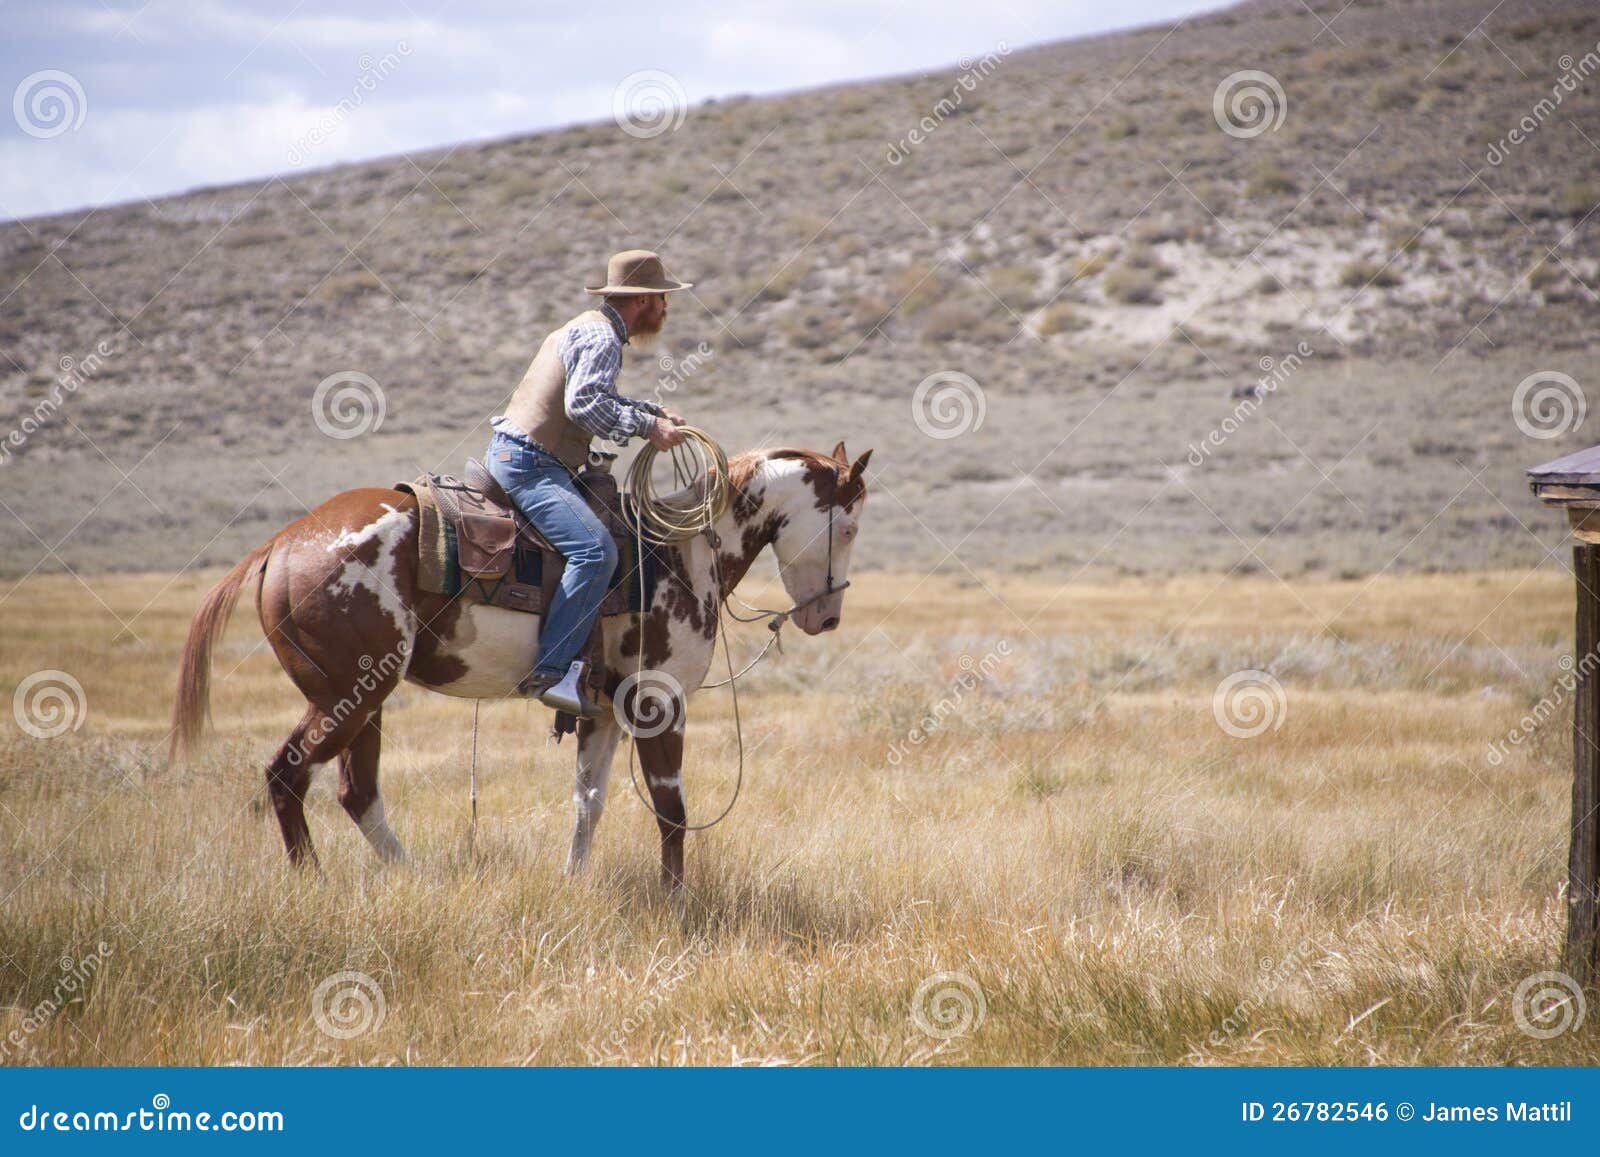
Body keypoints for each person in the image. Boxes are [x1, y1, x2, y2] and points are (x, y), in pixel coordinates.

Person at [486, 249, 692, 716]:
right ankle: (553, 672)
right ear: (645, 300)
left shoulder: (584, 326)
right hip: (531, 464)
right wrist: (647, 429)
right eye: (664, 299)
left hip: (521, 456)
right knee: (597, 551)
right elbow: (583, 406)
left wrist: (649, 411)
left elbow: (600, 396)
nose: (666, 309)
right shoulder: (603, 339)